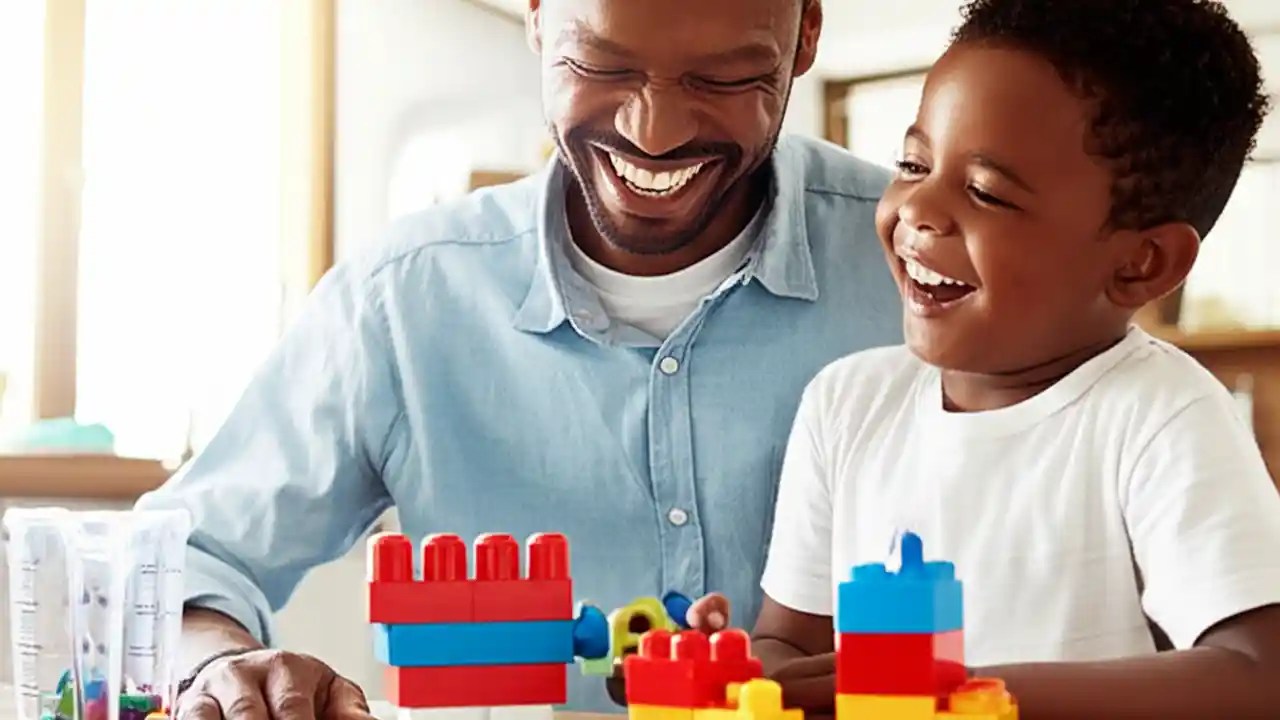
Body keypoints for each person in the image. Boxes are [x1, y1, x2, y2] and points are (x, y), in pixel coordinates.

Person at [134, 0, 903, 717]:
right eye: (600, 66)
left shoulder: (924, 270)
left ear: (806, 34)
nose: (655, 131)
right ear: (536, 14)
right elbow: (180, 565)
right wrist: (223, 666)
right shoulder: (403, 298)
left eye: (725, 77)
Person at [685, 0, 1280, 718]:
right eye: (912, 164)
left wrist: (958, 693)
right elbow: (790, 641)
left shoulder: (1160, 416)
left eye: (987, 192)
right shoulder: (846, 403)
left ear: (1141, 263)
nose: (917, 210)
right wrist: (745, 678)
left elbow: (1258, 675)